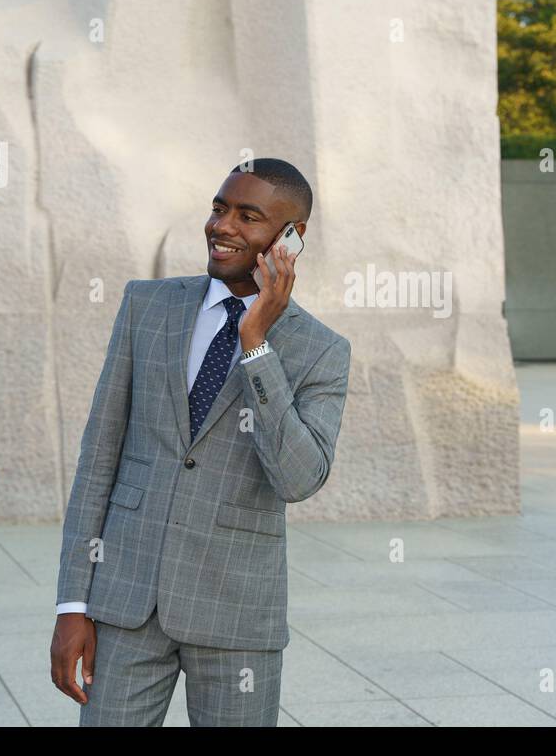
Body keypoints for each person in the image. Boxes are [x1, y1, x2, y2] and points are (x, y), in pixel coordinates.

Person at [49, 158, 351, 726]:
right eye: (219, 208)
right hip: (124, 604)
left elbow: (298, 478)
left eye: (248, 215)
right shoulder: (147, 306)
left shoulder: (321, 350)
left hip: (237, 614)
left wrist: (256, 342)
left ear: (293, 236)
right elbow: (99, 460)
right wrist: (73, 604)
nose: (223, 226)